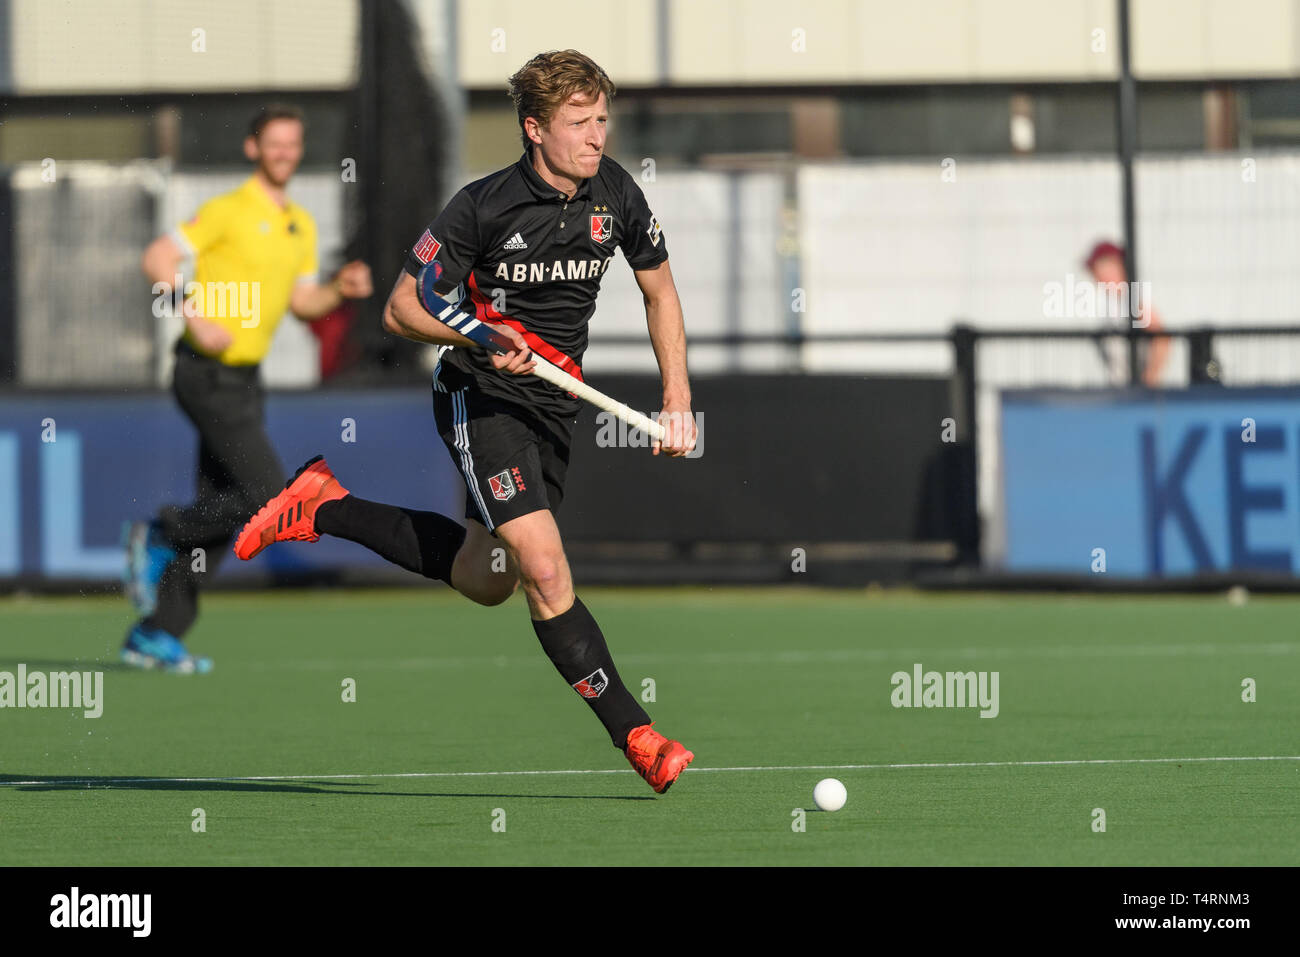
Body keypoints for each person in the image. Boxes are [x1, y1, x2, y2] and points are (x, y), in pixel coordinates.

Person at [233, 51, 699, 794]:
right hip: (478, 398)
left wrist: (677, 399)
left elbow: (661, 293)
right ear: (534, 128)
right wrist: (482, 336)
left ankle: (325, 504)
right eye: (579, 124)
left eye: (602, 120)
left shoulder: (616, 192)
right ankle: (639, 734)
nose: (596, 137)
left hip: (555, 405)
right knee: (545, 568)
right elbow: (402, 306)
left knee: (491, 578)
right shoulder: (482, 205)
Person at [122, 104, 373, 673]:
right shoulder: (228, 210)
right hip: (204, 371)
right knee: (265, 497)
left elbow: (302, 301)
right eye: (274, 143)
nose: (285, 152)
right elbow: (156, 257)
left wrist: (338, 288)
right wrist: (191, 311)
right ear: (253, 149)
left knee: (230, 505)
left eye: (293, 143)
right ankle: (160, 529)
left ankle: (155, 632)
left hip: (244, 380)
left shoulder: (299, 223)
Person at [1084, 240, 1168, 387]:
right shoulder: (1112, 303)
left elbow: (1162, 339)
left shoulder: (1132, 299)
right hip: (1120, 392)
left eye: (1098, 268)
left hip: (1138, 394)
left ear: (1115, 265)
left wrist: (1150, 378)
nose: (1095, 276)